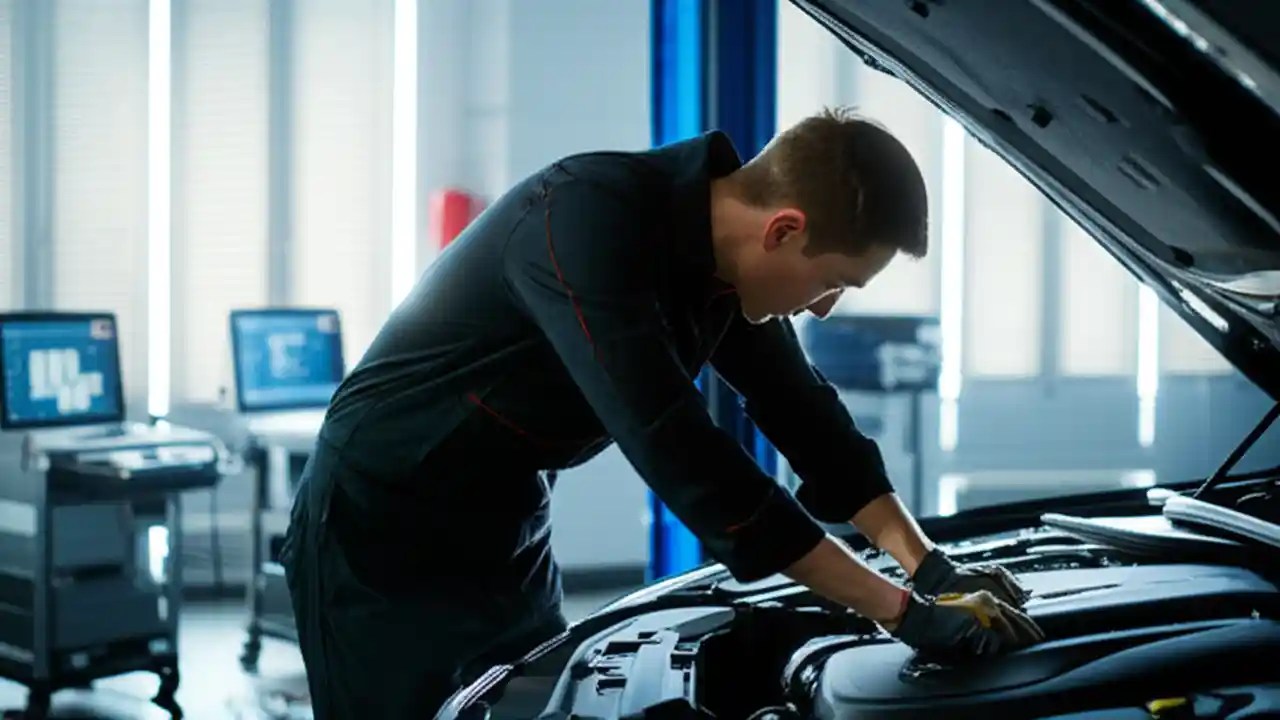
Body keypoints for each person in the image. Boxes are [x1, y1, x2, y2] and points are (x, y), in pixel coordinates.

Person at [280, 106, 1043, 719]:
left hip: (504, 520)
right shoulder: (583, 223)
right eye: (833, 282)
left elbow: (806, 416)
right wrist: (901, 612)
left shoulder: (724, 262)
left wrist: (929, 565)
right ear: (784, 229)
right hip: (379, 526)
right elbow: (682, 452)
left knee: (526, 707)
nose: (824, 308)